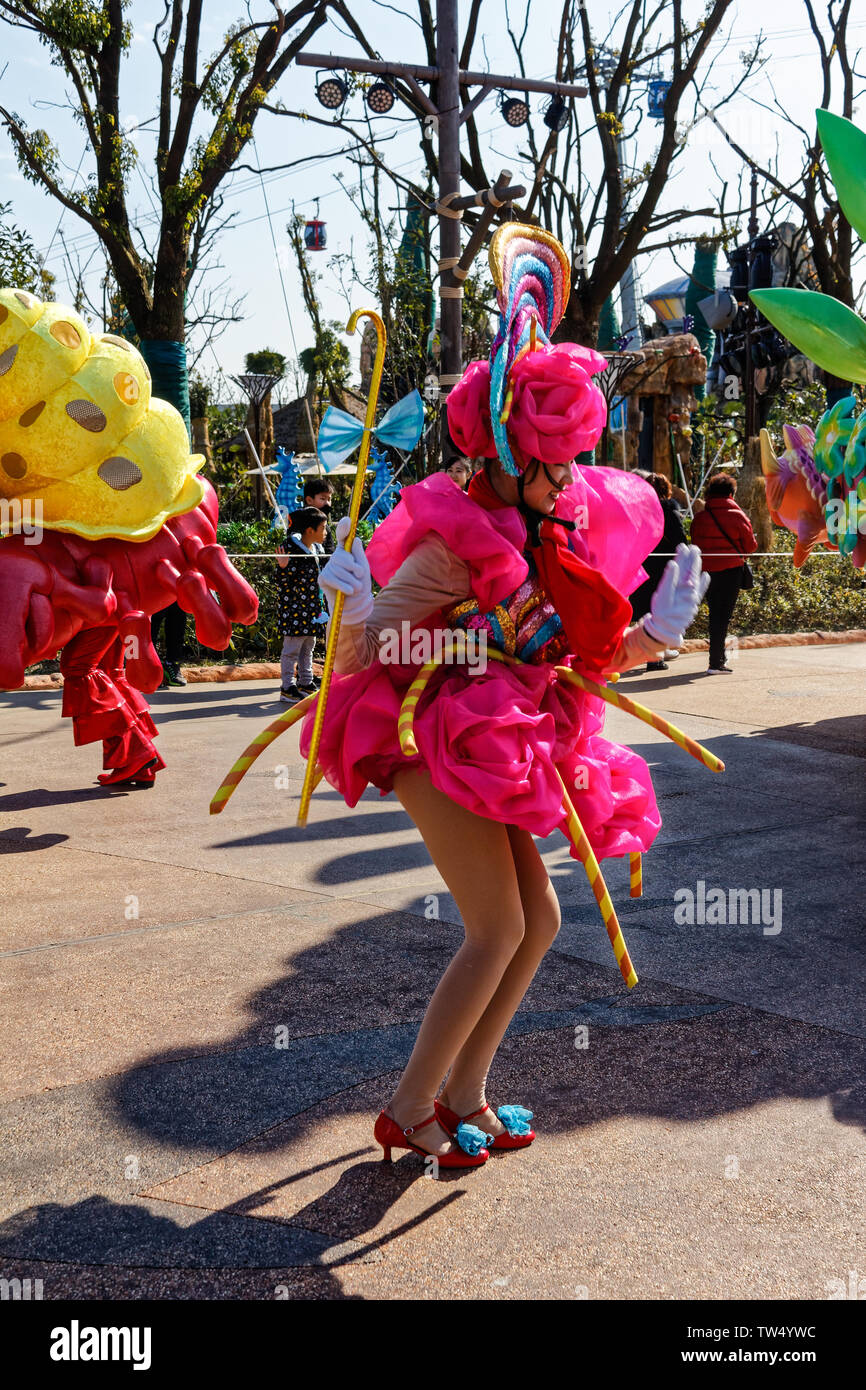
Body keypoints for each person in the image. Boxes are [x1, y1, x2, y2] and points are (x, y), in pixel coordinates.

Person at [301, 222, 709, 1168]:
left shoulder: (538, 539)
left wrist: (657, 634)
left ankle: (468, 1093)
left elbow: (565, 665)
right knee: (495, 929)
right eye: (553, 462)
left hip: (493, 737)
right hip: (422, 732)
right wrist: (358, 602)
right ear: (506, 451)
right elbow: (372, 653)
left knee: (542, 922)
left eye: (573, 460)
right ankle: (410, 1109)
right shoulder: (455, 538)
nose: (569, 479)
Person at [690, 472, 757, 675]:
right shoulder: (738, 516)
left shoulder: (701, 517)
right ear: (730, 494)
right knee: (722, 617)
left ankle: (717, 658)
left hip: (707, 572)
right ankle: (716, 662)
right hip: (730, 571)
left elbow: (695, 542)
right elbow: (750, 546)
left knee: (714, 615)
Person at [629, 472, 688, 672]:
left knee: (645, 613)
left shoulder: (636, 511)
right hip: (663, 568)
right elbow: (680, 539)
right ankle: (654, 658)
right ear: (666, 490)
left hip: (641, 565)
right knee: (658, 613)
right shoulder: (669, 511)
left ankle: (649, 654)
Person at [276, 507, 328, 702]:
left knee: (308, 647)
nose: (325, 532)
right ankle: (287, 686)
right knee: (291, 650)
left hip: (313, 610)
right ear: (309, 530)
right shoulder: (290, 549)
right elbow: (282, 584)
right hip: (295, 612)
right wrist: (283, 568)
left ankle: (305, 682)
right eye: (322, 528)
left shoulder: (316, 549)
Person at [151, 602, 187, 688]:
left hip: (177, 590)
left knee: (178, 615)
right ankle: (150, 669)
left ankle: (172, 665)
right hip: (152, 591)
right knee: (153, 618)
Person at [303, 477, 335, 553]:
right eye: (323, 499)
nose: (327, 503)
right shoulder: (300, 521)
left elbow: (330, 550)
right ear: (309, 500)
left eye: (329, 499)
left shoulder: (325, 525)